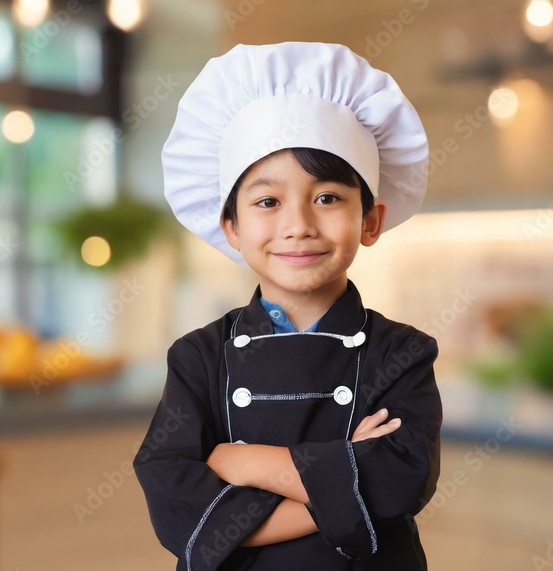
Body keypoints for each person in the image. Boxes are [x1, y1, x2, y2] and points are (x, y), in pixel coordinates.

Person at [133, 42, 442, 570]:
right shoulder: (199, 356)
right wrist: (343, 479)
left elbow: (401, 478)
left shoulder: (404, 353)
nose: (298, 225)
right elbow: (173, 500)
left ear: (370, 221)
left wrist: (243, 461)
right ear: (231, 227)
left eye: (327, 198)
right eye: (267, 201)